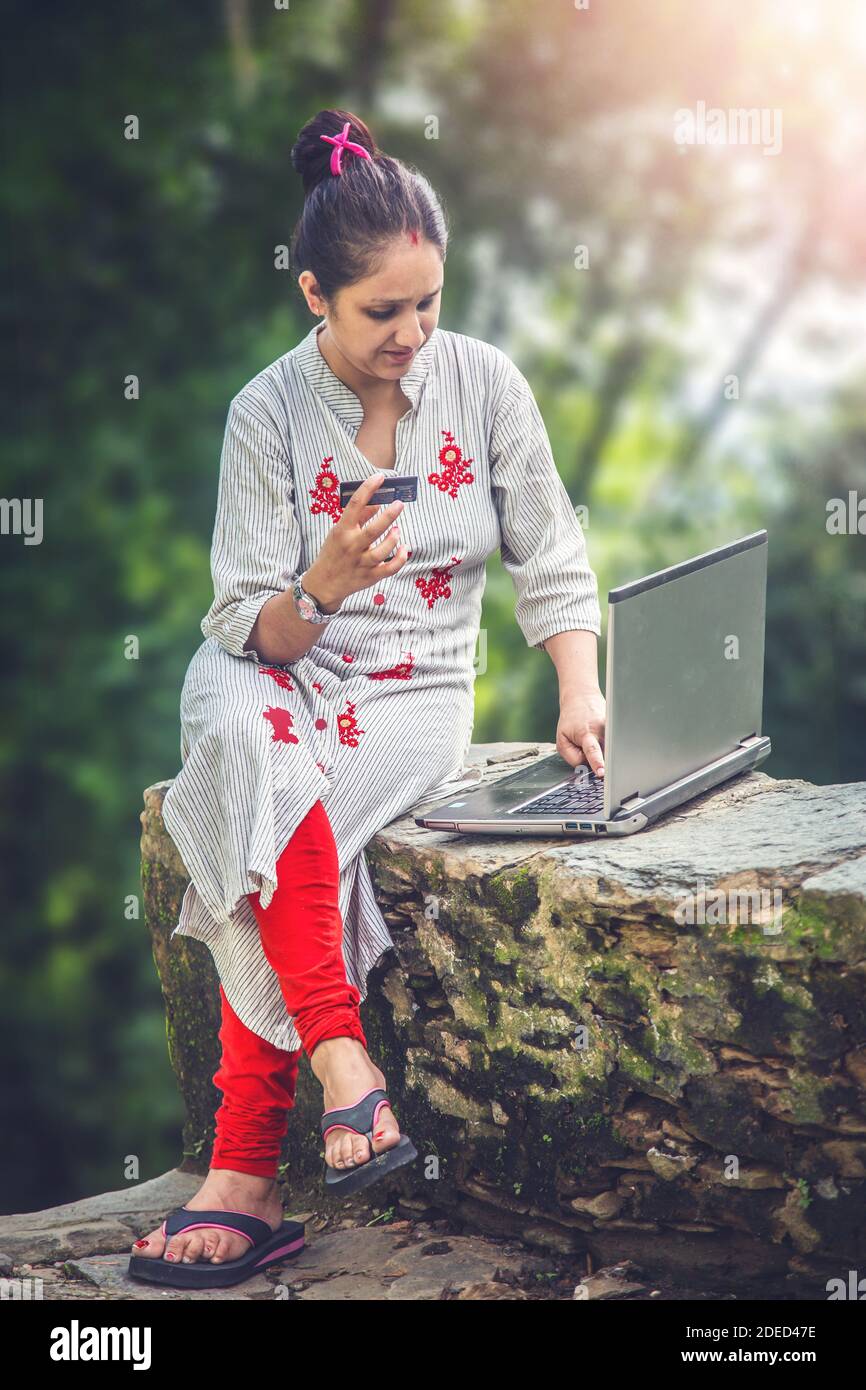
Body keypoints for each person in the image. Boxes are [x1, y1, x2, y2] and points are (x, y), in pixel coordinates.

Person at [130, 108, 605, 1275]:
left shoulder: (483, 384)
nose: (410, 333)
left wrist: (576, 688)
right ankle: (343, 1063)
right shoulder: (265, 414)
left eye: (426, 302)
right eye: (379, 311)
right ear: (314, 296)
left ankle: (245, 1169)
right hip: (276, 662)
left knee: (257, 807)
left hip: (414, 687)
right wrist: (324, 586)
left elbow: (551, 550)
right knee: (243, 731)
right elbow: (250, 622)